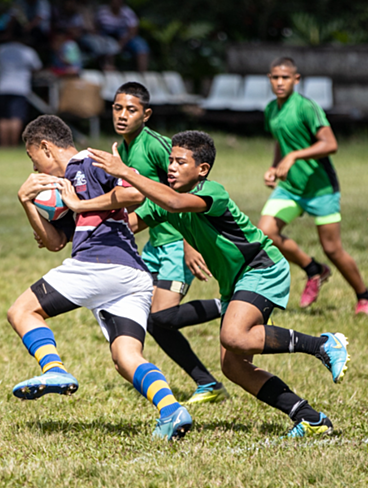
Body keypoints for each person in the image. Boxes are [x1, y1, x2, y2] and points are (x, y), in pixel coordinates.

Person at [90, 131, 350, 438]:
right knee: (234, 367)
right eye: (170, 160)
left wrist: (126, 173)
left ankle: (322, 345)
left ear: (202, 169)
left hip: (260, 267)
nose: (171, 166)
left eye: (180, 162)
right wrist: (79, 213)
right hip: (234, 284)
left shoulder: (211, 192)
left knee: (234, 336)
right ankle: (310, 418)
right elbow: (128, 225)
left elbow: (173, 202)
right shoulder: (166, 201)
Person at [7, 115, 192, 441]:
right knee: (125, 358)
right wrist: (26, 202)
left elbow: (135, 194)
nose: (33, 168)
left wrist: (80, 204)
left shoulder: (86, 163)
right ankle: (171, 409)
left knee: (22, 311)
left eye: (31, 157)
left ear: (45, 147)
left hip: (100, 263)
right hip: (133, 277)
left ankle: (54, 370)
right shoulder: (67, 184)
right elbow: (53, 242)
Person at [109, 82, 228, 404]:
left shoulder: (157, 147)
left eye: (130, 110)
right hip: (155, 244)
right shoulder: (123, 148)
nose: (122, 115)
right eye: (117, 108)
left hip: (177, 242)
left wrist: (191, 242)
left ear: (146, 114)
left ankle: (233, 306)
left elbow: (188, 190)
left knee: (161, 317)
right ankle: (206, 383)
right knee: (150, 319)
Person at [258, 57, 368, 316]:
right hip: (291, 188)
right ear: (269, 79)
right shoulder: (271, 110)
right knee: (265, 233)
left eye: (285, 77)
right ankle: (313, 269)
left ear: (296, 79)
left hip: (321, 188)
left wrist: (294, 157)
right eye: (275, 77)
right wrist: (274, 166)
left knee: (332, 249)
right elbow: (282, 141)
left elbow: (330, 144)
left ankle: (365, 297)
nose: (280, 82)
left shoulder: (306, 107)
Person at [0, 26, 41, 148]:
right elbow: (37, 68)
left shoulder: (1, 50)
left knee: (3, 117)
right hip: (20, 87)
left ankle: (3, 145)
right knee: (16, 117)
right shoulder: (28, 52)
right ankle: (13, 145)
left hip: (2, 86)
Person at [95, 0, 149, 72]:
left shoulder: (128, 12)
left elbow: (133, 30)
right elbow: (96, 26)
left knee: (141, 45)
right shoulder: (102, 11)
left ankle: (143, 73)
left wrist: (122, 42)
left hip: (125, 37)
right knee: (109, 45)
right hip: (106, 35)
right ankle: (109, 68)